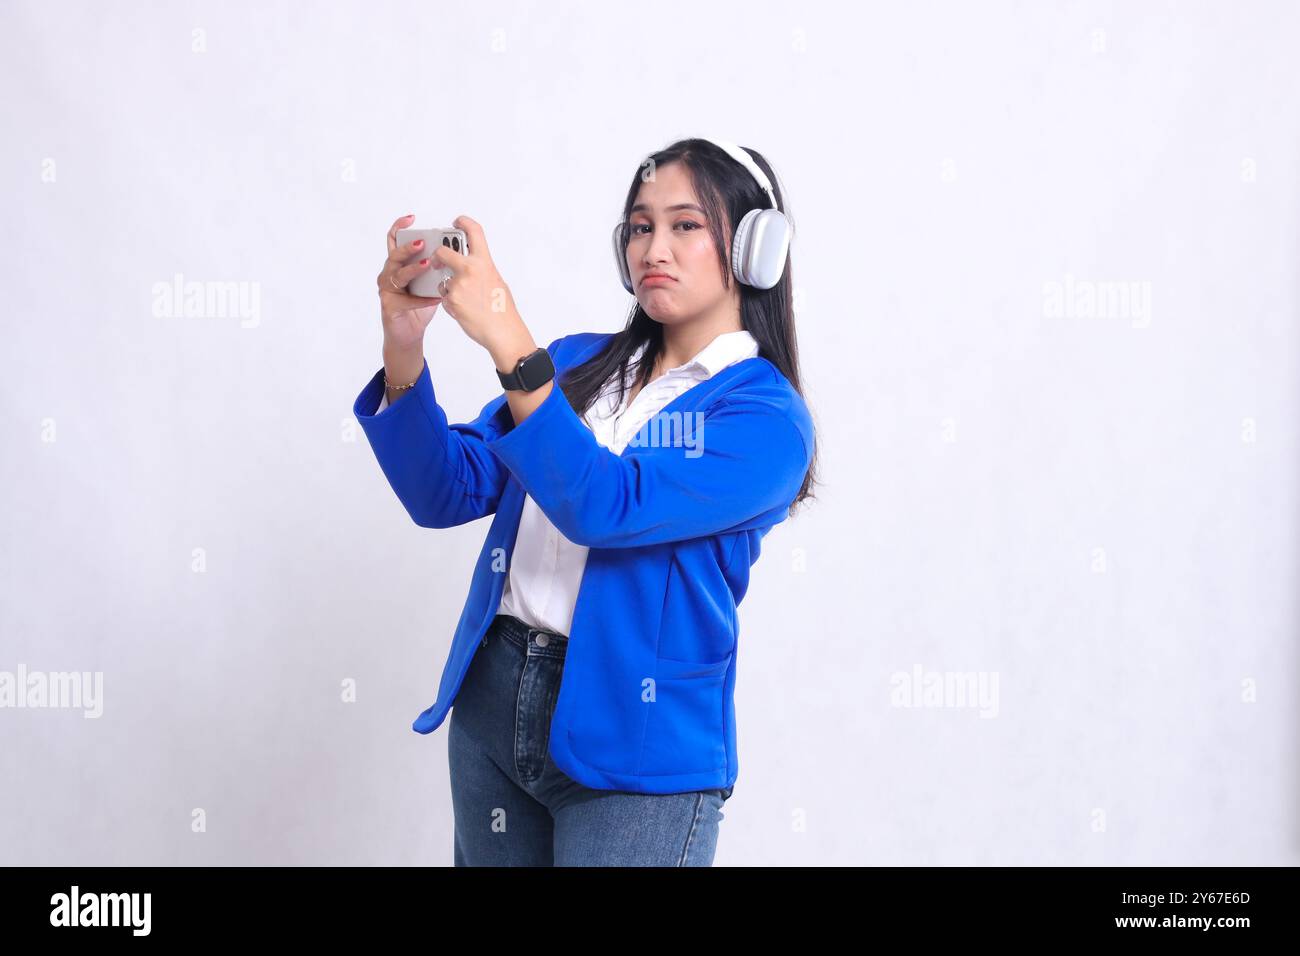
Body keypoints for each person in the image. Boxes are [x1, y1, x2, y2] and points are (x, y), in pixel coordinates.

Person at [353, 137, 820, 866]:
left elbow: (607, 504)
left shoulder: (764, 421)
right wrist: (404, 345)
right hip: (493, 704)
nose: (653, 247)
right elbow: (444, 490)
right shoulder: (574, 365)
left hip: (639, 742)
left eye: (685, 224)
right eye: (639, 226)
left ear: (757, 247)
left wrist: (507, 338)